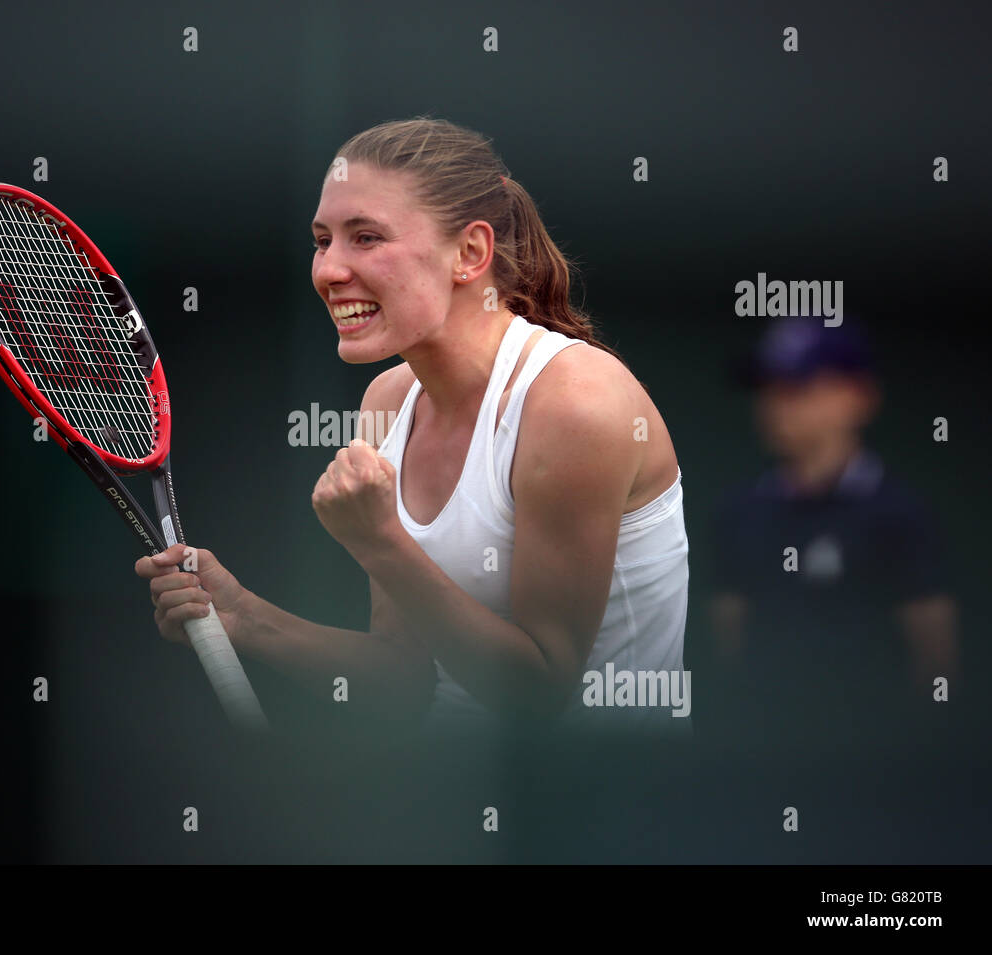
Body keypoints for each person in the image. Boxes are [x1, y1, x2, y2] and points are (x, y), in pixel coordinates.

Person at [136, 117, 690, 735]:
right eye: (322, 241)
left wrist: (380, 542)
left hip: (615, 812)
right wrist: (244, 618)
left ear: (470, 253)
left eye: (366, 237)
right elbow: (405, 679)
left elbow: (538, 693)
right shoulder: (387, 400)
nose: (328, 272)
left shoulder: (575, 405)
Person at [707, 317, 959, 741]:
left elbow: (935, 665)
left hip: (876, 758)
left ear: (858, 397)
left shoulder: (900, 515)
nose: (776, 405)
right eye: (767, 390)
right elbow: (726, 654)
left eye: (798, 387)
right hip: (763, 755)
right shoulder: (738, 515)